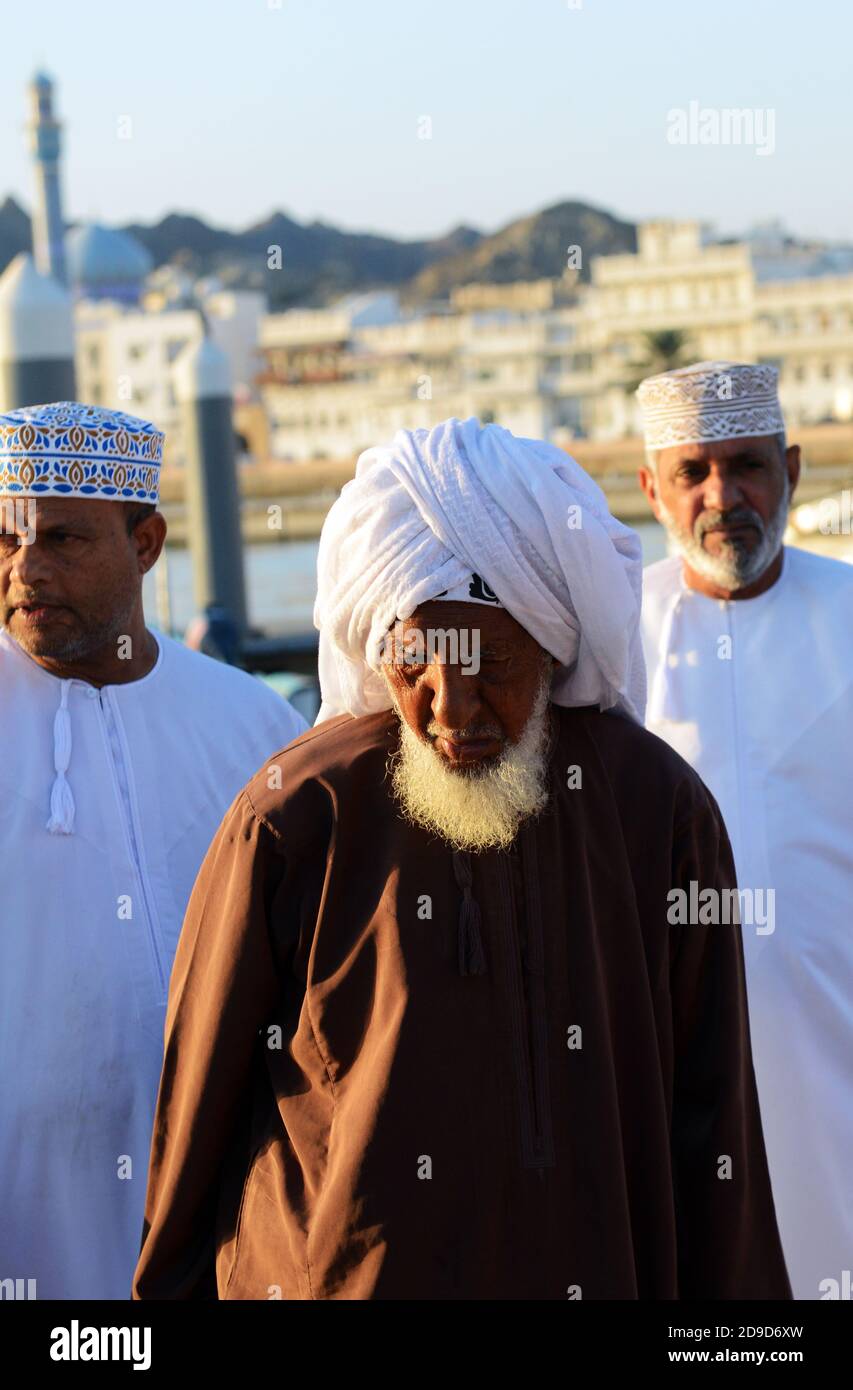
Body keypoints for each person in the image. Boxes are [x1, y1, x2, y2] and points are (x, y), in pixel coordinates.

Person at [133, 416, 790, 1301]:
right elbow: (199, 1110)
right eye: (416, 666)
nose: (450, 710)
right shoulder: (297, 813)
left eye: (492, 666)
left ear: (551, 645)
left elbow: (714, 1121)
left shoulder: (656, 808)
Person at [0, 401, 307, 1300]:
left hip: (221, 1193)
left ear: (147, 544)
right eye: (6, 539)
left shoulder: (256, 727)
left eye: (62, 539)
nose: (25, 569)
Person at [636, 361, 853, 1300]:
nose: (721, 496)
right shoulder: (606, 641)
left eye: (747, 466)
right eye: (691, 472)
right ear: (651, 489)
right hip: (670, 1060)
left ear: (791, 470)